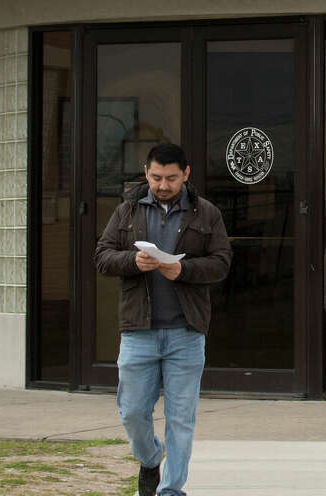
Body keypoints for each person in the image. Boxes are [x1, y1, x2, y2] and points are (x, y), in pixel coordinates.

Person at [95, 142, 232, 496]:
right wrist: (131, 262)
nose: (163, 185)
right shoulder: (127, 211)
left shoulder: (206, 213)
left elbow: (221, 263)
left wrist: (184, 269)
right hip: (138, 332)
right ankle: (150, 457)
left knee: (181, 421)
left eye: (171, 178)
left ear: (185, 175)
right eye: (156, 177)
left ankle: (171, 491)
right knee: (131, 412)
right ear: (146, 172)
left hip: (186, 333)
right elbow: (102, 256)